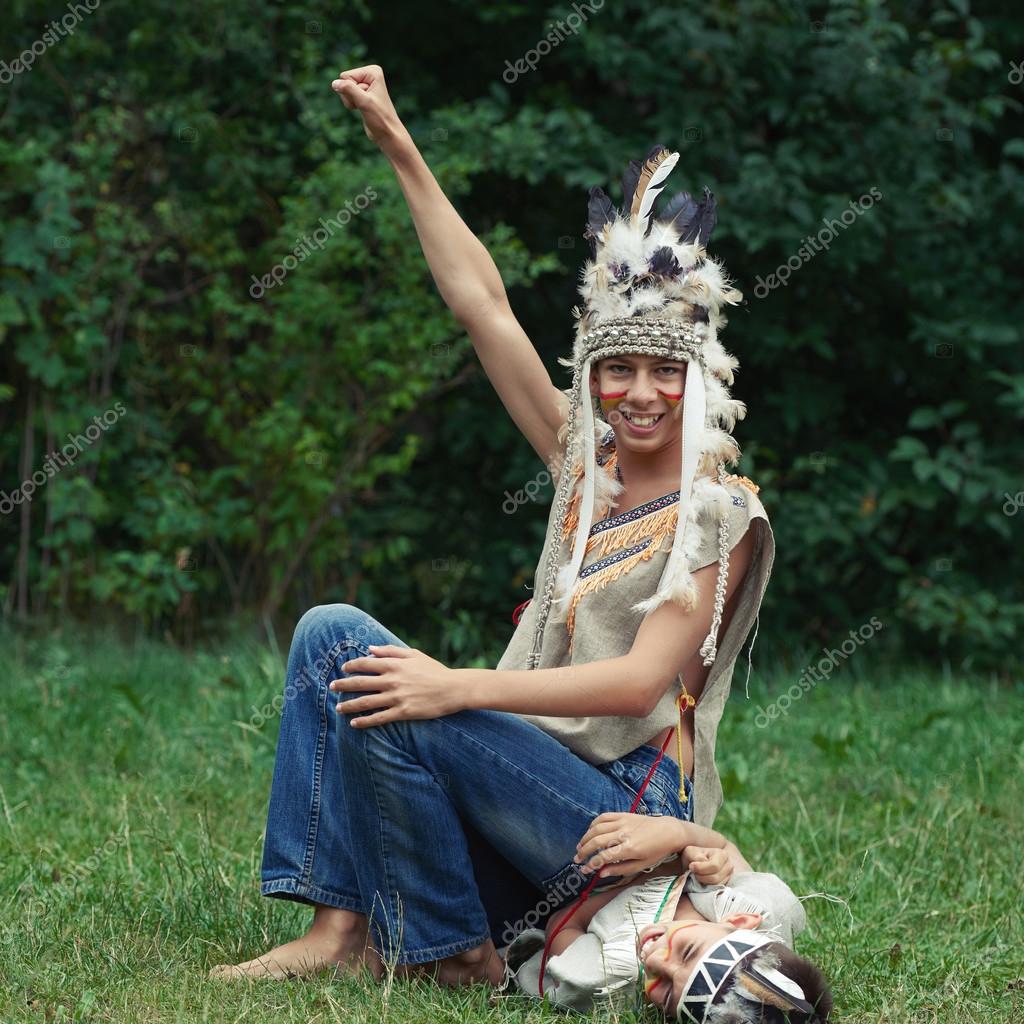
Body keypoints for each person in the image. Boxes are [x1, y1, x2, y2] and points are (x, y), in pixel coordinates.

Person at [210, 64, 776, 987]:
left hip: (610, 816)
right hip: (521, 786)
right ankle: (342, 927)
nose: (639, 393)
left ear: (701, 379)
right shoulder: (580, 470)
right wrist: (397, 142)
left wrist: (455, 688)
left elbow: (638, 687)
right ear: (594, 373)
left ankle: (456, 952)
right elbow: (483, 304)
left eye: (664, 372)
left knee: (391, 672)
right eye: (618, 368)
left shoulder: (722, 510)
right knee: (330, 641)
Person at [502, 812, 833, 1023]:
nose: (657, 960)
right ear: (739, 922)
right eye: (687, 951)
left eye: (670, 994)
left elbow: (562, 921)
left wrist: (663, 869)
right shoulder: (760, 906)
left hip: (556, 881)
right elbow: (722, 843)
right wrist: (684, 839)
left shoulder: (603, 979)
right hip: (637, 822)